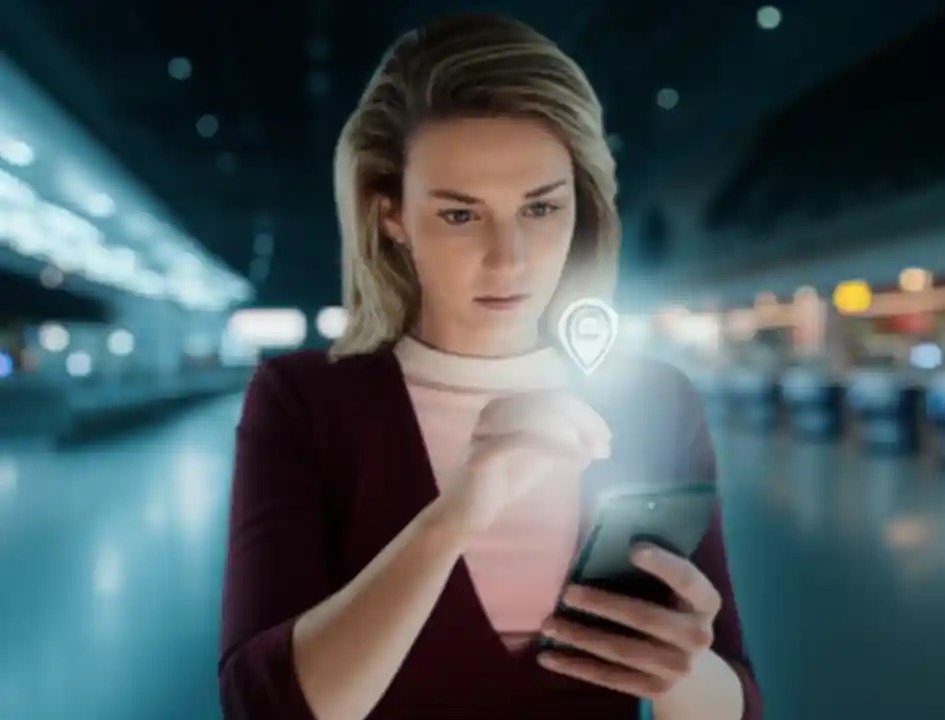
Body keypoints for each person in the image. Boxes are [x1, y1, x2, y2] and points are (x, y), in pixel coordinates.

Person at [217, 13, 761, 719]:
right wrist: (455, 516)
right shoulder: (306, 402)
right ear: (392, 216)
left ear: (581, 204)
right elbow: (258, 705)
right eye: (459, 216)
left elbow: (737, 703)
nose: (510, 259)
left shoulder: (656, 402)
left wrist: (680, 666)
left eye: (541, 208)